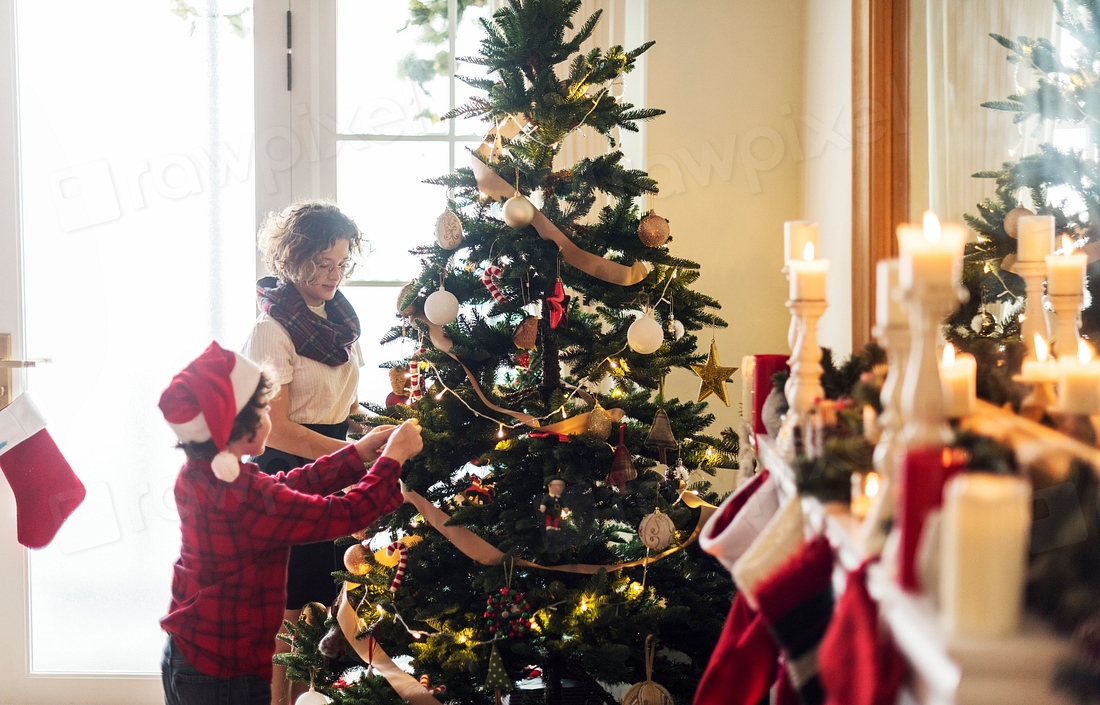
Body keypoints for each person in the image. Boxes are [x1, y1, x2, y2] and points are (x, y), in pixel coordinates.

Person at [158, 341, 422, 705]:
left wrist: (357, 455)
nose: (271, 416)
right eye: (265, 409)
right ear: (241, 429)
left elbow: (283, 487)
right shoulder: (246, 496)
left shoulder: (203, 473)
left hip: (189, 652)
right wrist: (394, 458)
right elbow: (344, 513)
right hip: (226, 672)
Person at [240, 200, 367, 704]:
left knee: (325, 604)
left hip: (335, 467)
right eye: (323, 263)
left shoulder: (341, 321)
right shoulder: (271, 329)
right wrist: (350, 454)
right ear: (292, 259)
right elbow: (273, 429)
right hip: (288, 475)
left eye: (342, 263)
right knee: (289, 611)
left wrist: (371, 434)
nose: (334, 275)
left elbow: (345, 403)